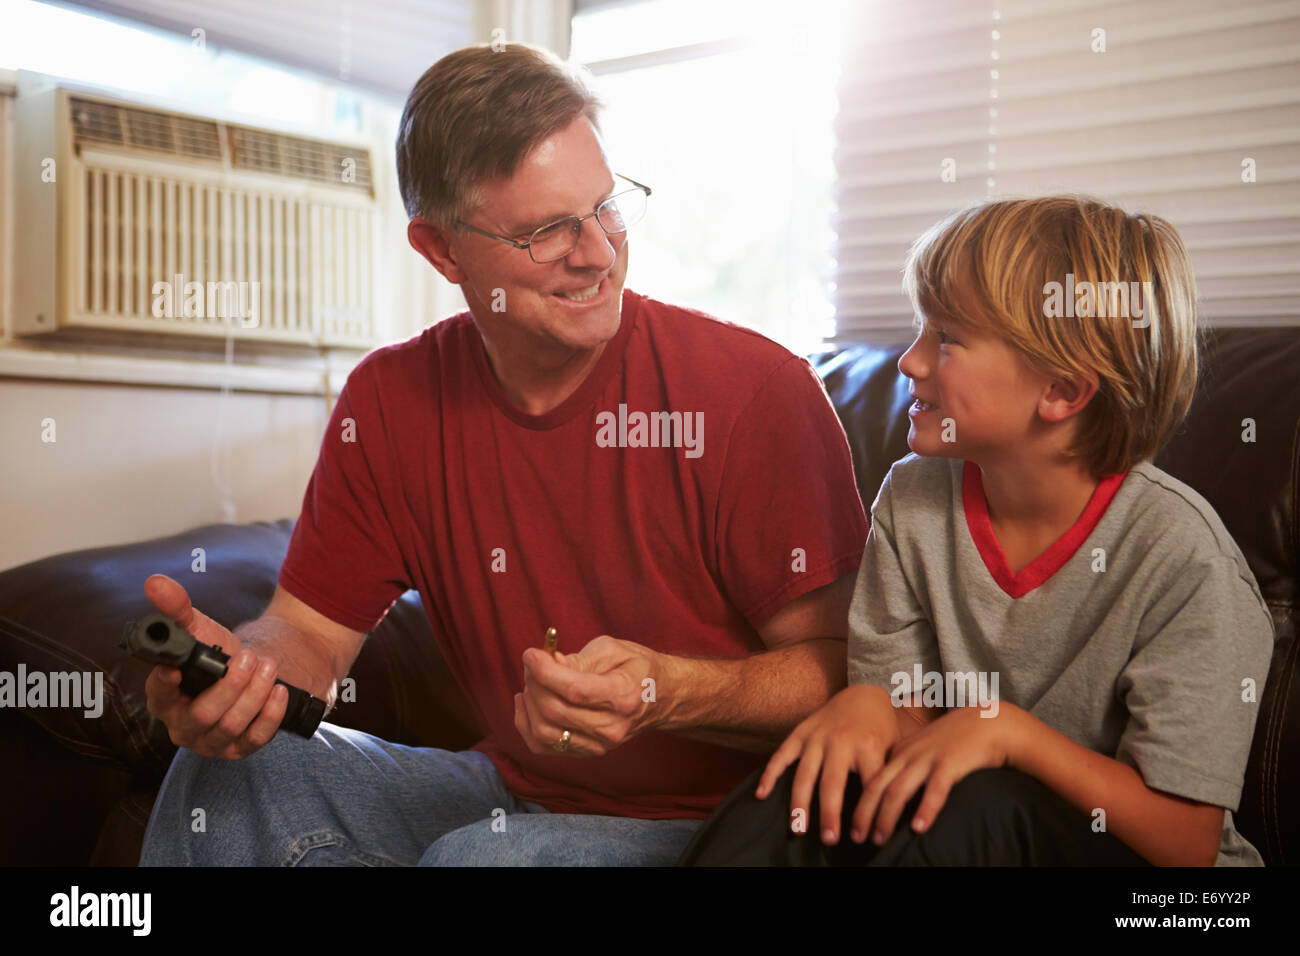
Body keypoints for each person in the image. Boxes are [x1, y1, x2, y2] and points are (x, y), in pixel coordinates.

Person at [137, 41, 869, 866]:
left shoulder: (752, 391)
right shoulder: (389, 401)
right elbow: (306, 633)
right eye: (548, 230)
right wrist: (242, 677)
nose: (596, 252)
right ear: (442, 250)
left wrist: (664, 691)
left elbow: (844, 669)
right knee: (224, 774)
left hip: (725, 824)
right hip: (509, 796)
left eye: (606, 207)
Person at [677, 195, 1276, 866]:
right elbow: (904, 712)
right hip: (969, 828)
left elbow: (1185, 840)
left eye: (947, 339)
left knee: (980, 804)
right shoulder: (912, 499)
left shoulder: (1184, 557)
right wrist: (868, 709)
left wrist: (1008, 734)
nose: (910, 361)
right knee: (802, 781)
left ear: (1064, 391)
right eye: (920, 330)